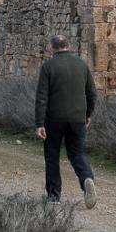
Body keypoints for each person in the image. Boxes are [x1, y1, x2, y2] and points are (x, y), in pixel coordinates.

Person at [35, 34, 98, 209]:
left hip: (54, 119)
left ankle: (54, 196)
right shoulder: (82, 64)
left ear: (51, 48)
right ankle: (86, 179)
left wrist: (39, 123)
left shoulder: (48, 66)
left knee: (52, 155)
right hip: (78, 118)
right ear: (68, 46)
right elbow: (92, 93)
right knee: (77, 154)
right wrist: (88, 114)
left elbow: (41, 97)